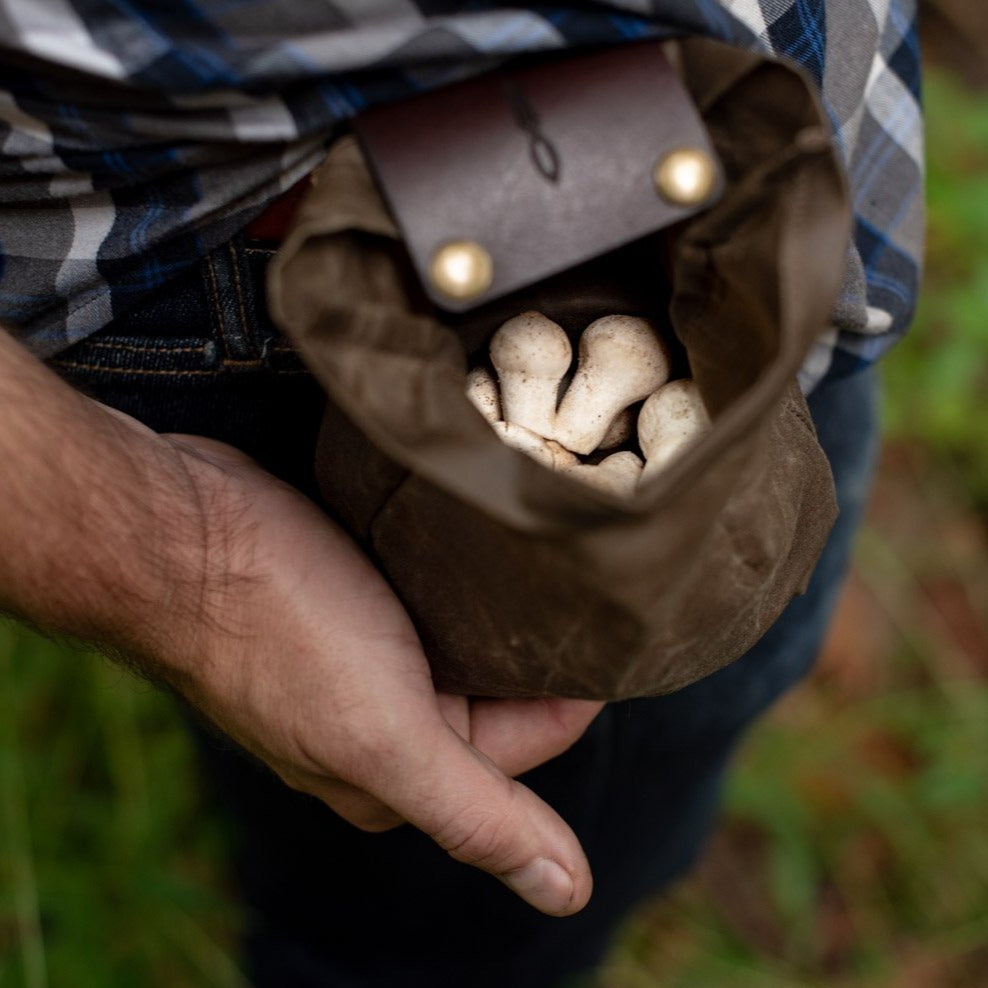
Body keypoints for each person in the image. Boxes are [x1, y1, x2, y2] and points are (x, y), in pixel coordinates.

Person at [0, 2, 922, 985]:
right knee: (429, 934)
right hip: (248, 264)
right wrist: (186, 564)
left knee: (705, 707)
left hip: (789, 168)